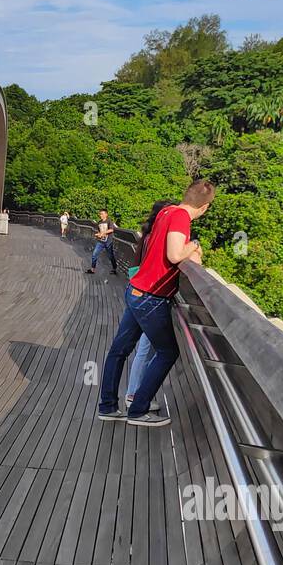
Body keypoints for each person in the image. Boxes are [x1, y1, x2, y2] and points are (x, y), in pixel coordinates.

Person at [97, 181, 215, 426]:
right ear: (204, 208)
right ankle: (138, 410)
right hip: (152, 296)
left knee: (119, 350)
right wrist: (194, 245)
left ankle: (107, 407)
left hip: (136, 289)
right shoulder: (182, 217)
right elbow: (174, 255)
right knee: (168, 352)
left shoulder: (167, 211)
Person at [124, 201, 176, 404]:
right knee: (147, 347)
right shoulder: (160, 238)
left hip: (136, 291)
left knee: (139, 347)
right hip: (150, 295)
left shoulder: (146, 235)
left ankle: (133, 394)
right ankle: (135, 397)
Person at [86, 210, 117, 275]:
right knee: (94, 254)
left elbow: (111, 229)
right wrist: (98, 235)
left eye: (102, 214)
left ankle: (114, 269)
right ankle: (92, 269)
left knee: (110, 256)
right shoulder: (99, 222)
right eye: (100, 214)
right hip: (100, 241)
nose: (101, 215)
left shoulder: (109, 221)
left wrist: (103, 232)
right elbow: (99, 232)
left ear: (106, 214)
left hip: (108, 242)